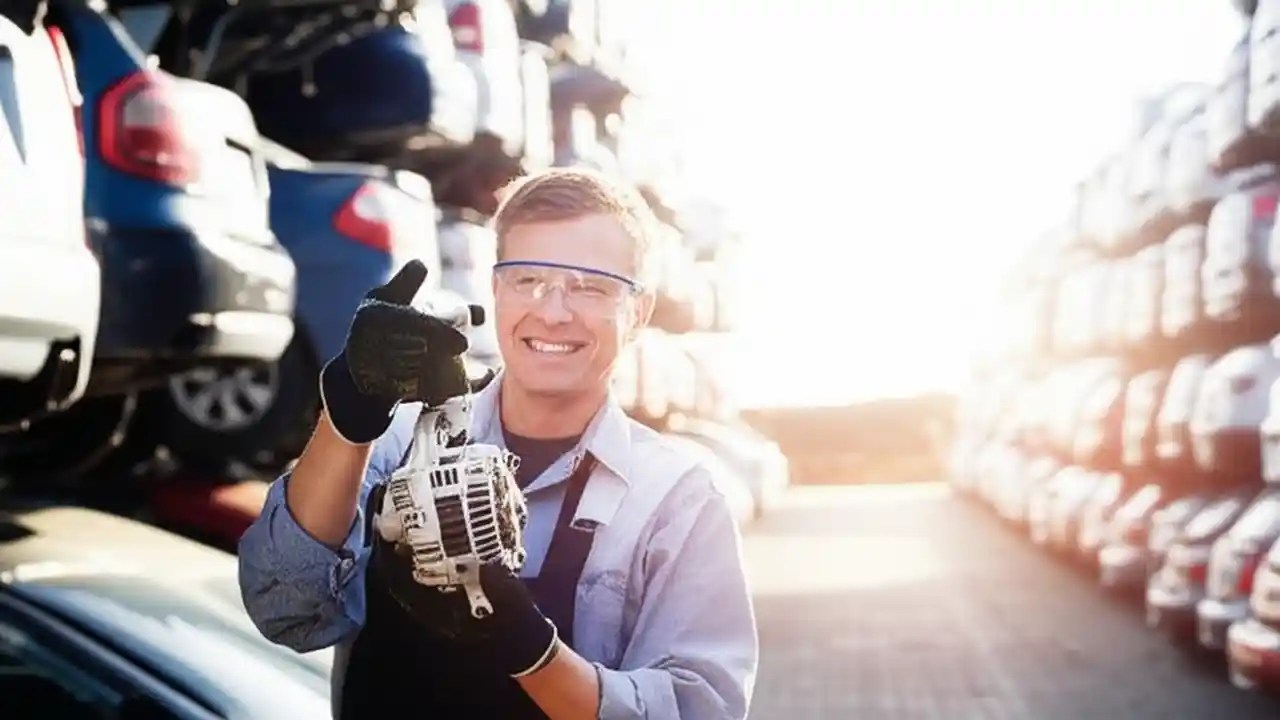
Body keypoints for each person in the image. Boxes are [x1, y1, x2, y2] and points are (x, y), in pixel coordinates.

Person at [237, 167, 759, 719]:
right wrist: (346, 418)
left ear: (639, 311)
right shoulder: (394, 446)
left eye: (590, 286)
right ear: (495, 289)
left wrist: (529, 647)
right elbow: (283, 608)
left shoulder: (676, 504)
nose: (554, 311)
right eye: (528, 279)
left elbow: (700, 711)